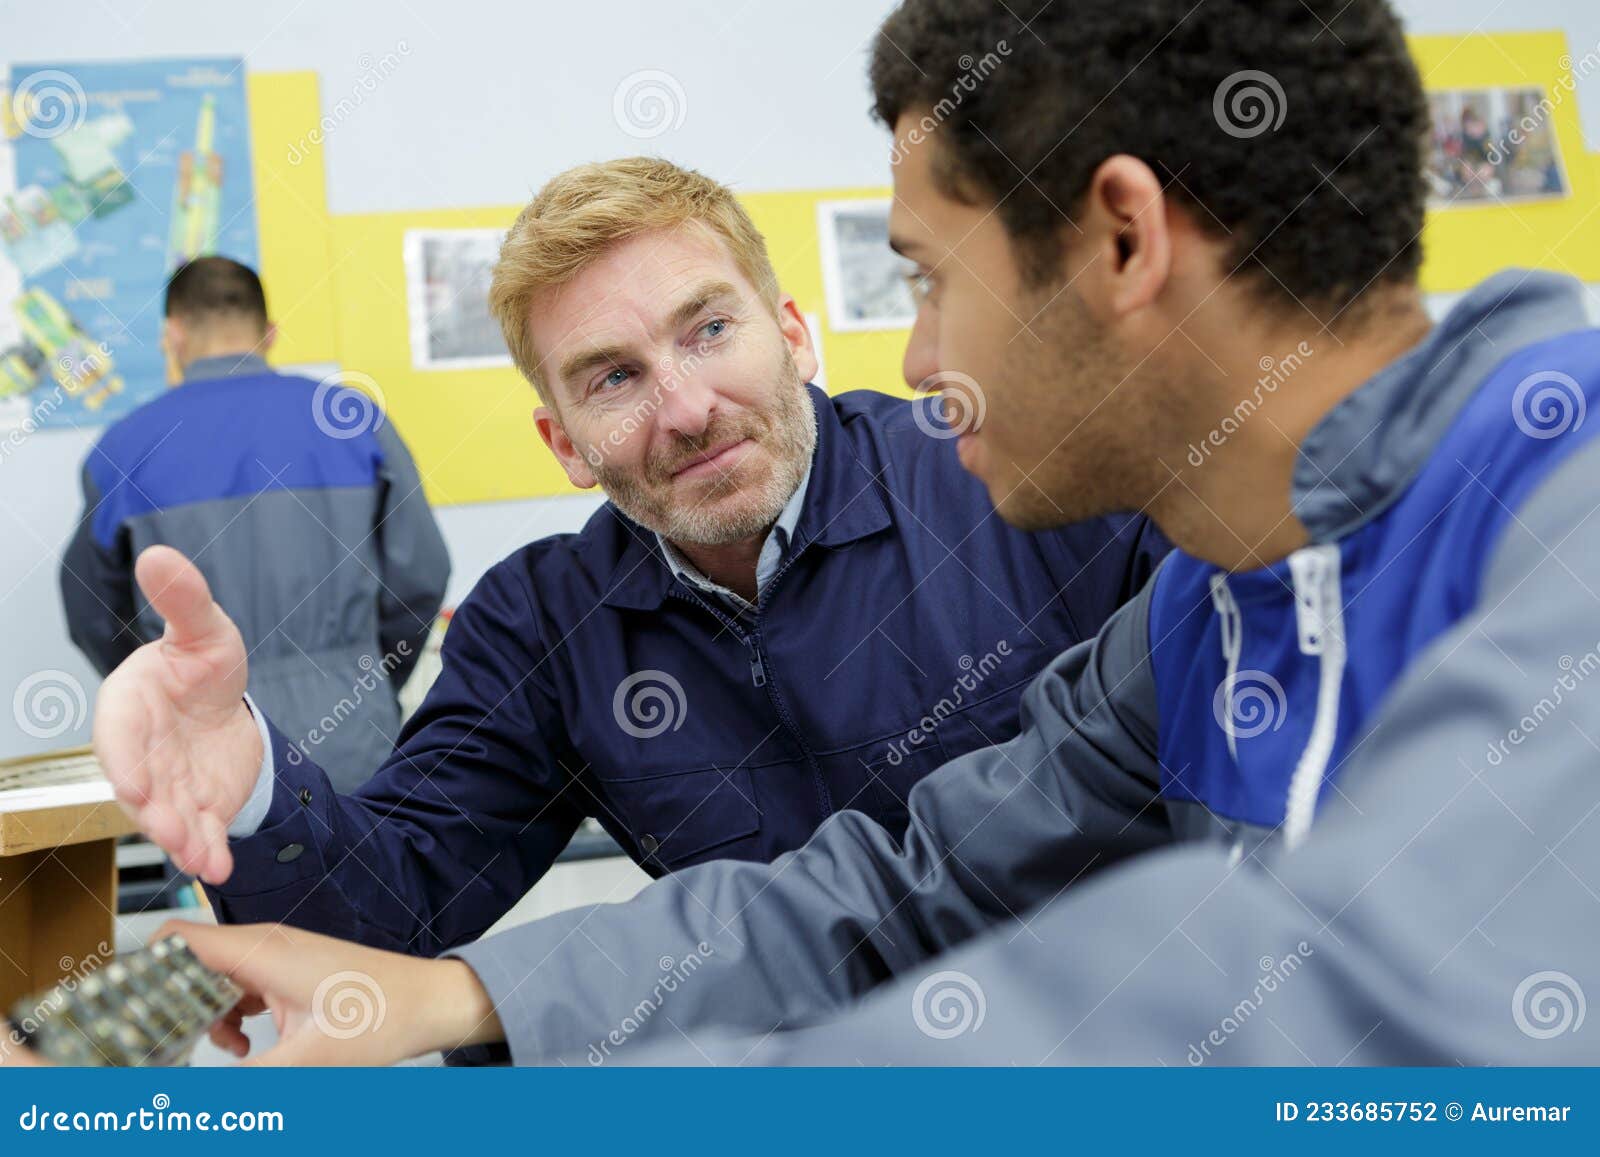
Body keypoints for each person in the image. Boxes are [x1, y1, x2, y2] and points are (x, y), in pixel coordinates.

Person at [72, 0, 1598, 1068]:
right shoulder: (1204, 601)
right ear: (561, 436)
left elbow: (1365, 1022)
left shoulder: (1548, 500)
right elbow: (893, 884)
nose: (920, 356)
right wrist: (454, 982)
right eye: (612, 377)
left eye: (926, 277)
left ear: (1123, 242)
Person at [88, 160, 1168, 955]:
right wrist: (252, 785)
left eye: (708, 330)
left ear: (793, 336)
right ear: (561, 443)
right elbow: (387, 909)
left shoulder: (1022, 481)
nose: (686, 409)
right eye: (611, 378)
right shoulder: (546, 624)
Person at [59, 257, 449, 790]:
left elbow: (92, 613)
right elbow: (421, 575)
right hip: (354, 733)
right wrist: (363, 676)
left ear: (172, 334)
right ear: (269, 334)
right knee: (366, 871)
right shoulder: (350, 421)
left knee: (220, 875)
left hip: (205, 745)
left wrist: (171, 687)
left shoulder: (125, 448)